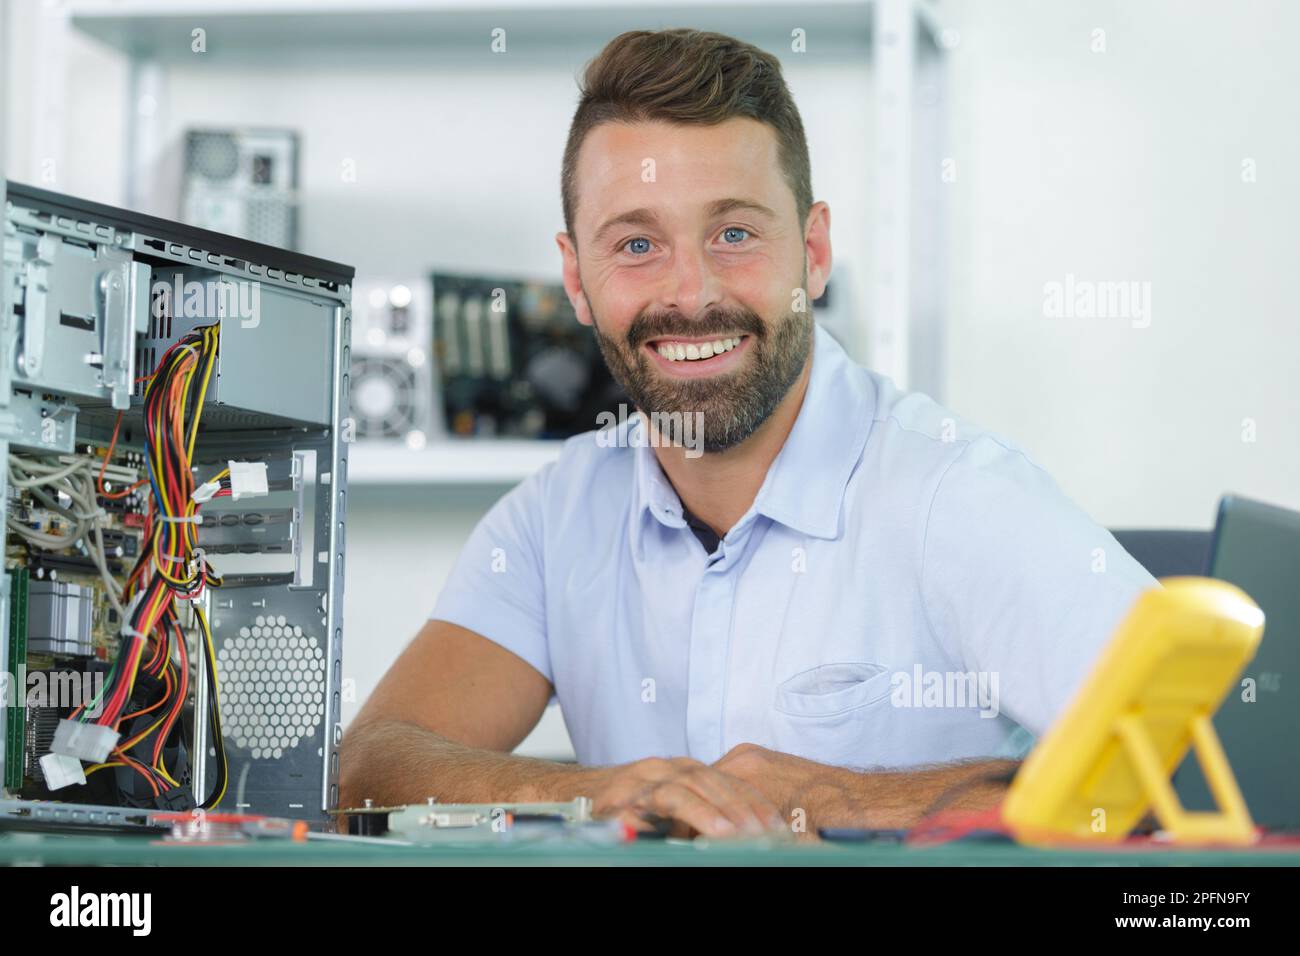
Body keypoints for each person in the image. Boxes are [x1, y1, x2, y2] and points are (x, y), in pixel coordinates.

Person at [340, 28, 1156, 838]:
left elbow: (1177, 758)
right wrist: (602, 794)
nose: (690, 294)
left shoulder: (956, 493)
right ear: (575, 279)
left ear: (813, 253)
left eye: (734, 234)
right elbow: (370, 765)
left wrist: (840, 799)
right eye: (635, 244)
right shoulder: (555, 517)